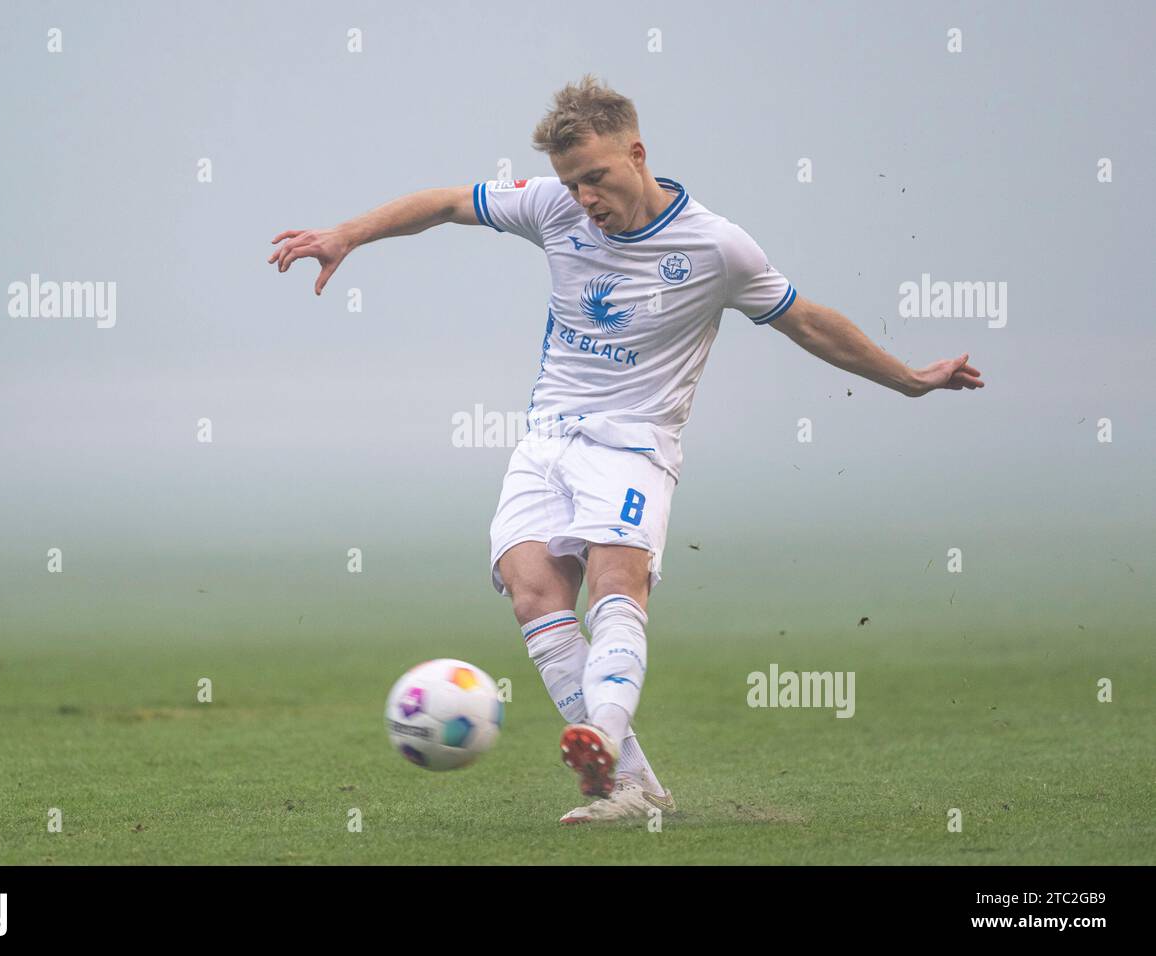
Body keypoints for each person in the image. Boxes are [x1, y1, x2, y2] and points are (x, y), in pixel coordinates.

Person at [268, 74, 984, 824]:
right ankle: (632, 784)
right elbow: (448, 203)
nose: (583, 198)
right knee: (533, 593)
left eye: (596, 179)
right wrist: (346, 234)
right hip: (547, 436)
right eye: (571, 183)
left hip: (634, 446)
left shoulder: (716, 247)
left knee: (616, 584)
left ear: (636, 154)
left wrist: (907, 379)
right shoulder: (553, 207)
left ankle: (604, 742)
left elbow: (805, 321)